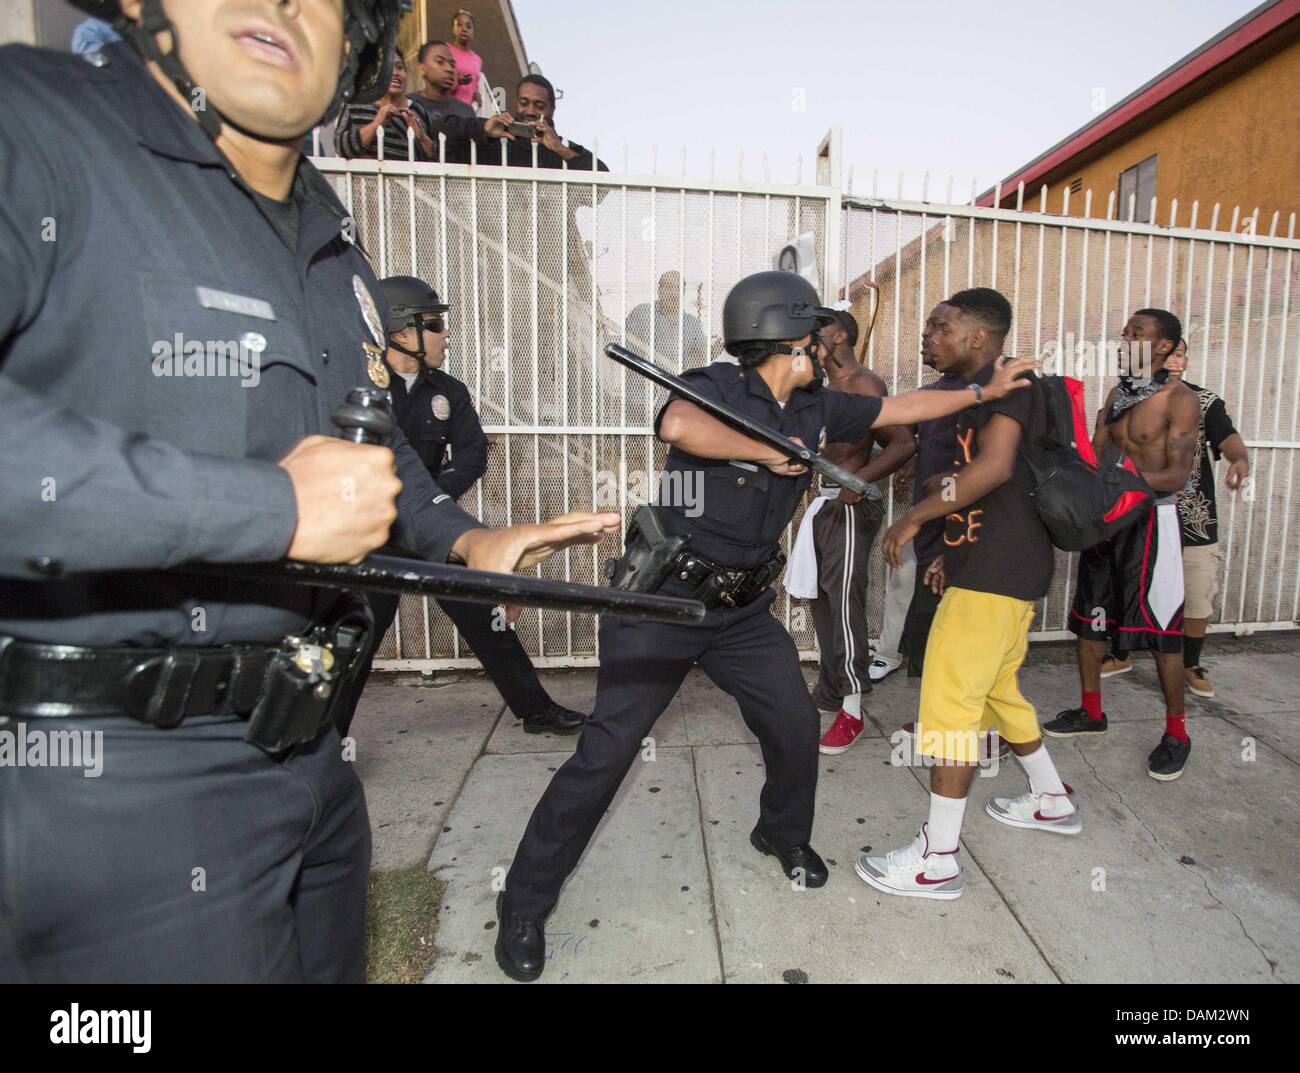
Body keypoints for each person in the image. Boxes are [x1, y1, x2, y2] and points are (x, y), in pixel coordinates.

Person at [0, 0, 618, 985]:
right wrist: (268, 508)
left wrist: (467, 543)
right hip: (115, 782)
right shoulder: (33, 125)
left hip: (308, 750)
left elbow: (376, 459)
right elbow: (298, 494)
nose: (282, 3)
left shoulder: (330, 230)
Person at [493, 271, 1039, 981]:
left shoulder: (818, 405)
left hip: (742, 611)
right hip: (662, 603)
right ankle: (525, 900)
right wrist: (763, 448)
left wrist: (981, 392)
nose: (828, 340)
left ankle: (779, 832)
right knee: (608, 750)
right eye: (816, 330)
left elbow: (900, 405)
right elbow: (677, 424)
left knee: (790, 725)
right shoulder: (717, 383)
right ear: (787, 334)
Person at [865, 288, 1076, 901]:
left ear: (980, 337)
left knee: (951, 714)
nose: (929, 336)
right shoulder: (975, 393)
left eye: (940, 327)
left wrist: (913, 518)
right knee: (999, 693)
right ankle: (1050, 798)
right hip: (991, 568)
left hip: (996, 574)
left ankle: (936, 861)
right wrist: (950, 552)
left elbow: (993, 471)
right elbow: (980, 489)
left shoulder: (1012, 388)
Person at [346, 275, 586, 736]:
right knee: (359, 638)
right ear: (400, 332)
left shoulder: (449, 392)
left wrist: (433, 499)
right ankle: (323, 745)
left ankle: (535, 711)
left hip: (435, 528)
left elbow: (473, 453)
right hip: (375, 537)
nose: (445, 334)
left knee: (487, 620)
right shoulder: (362, 386)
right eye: (434, 324)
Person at [1043, 309, 1200, 782]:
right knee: (1090, 621)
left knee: (1161, 631)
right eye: (1125, 333)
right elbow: (1094, 459)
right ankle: (1092, 711)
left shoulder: (1181, 399)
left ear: (1165, 348)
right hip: (1107, 520)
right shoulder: (1116, 395)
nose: (1125, 340)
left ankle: (1177, 733)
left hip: (1151, 522)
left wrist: (1114, 482)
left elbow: (1177, 473)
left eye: (1138, 335)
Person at [783, 309, 915, 754]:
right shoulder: (819, 386)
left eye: (816, 331)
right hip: (826, 503)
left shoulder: (865, 385)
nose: (808, 338)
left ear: (840, 335)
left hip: (852, 507)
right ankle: (830, 690)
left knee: (843, 603)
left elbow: (904, 441)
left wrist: (861, 483)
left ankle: (853, 711)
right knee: (822, 602)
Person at [1102, 338, 1249, 699]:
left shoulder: (1202, 401)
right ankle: (1120, 653)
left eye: (1180, 355)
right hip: (1136, 512)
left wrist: (1240, 460)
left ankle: (1191, 664)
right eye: (1169, 355)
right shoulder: (1126, 398)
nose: (1176, 361)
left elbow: (1228, 438)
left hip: (1192, 518)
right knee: (1125, 585)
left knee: (1197, 591)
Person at [335, 47, 434, 160]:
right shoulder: (354, 106)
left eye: (399, 67)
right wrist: (377, 124)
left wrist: (422, 138)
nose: (395, 73)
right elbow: (342, 148)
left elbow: (434, 160)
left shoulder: (418, 111)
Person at [494, 74, 607, 171]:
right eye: (524, 103)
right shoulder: (499, 142)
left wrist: (560, 148)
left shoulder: (563, 146)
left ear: (552, 110)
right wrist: (484, 129)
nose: (530, 111)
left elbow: (602, 179)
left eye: (539, 106)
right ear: (516, 104)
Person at [447, 9, 483, 111]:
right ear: (453, 29)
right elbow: (438, 82)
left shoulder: (477, 59)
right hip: (446, 110)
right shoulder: (445, 50)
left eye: (468, 26)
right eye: (459, 24)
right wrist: (458, 81)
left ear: (473, 33)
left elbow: (475, 84)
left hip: (467, 112)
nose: (464, 29)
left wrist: (477, 94)